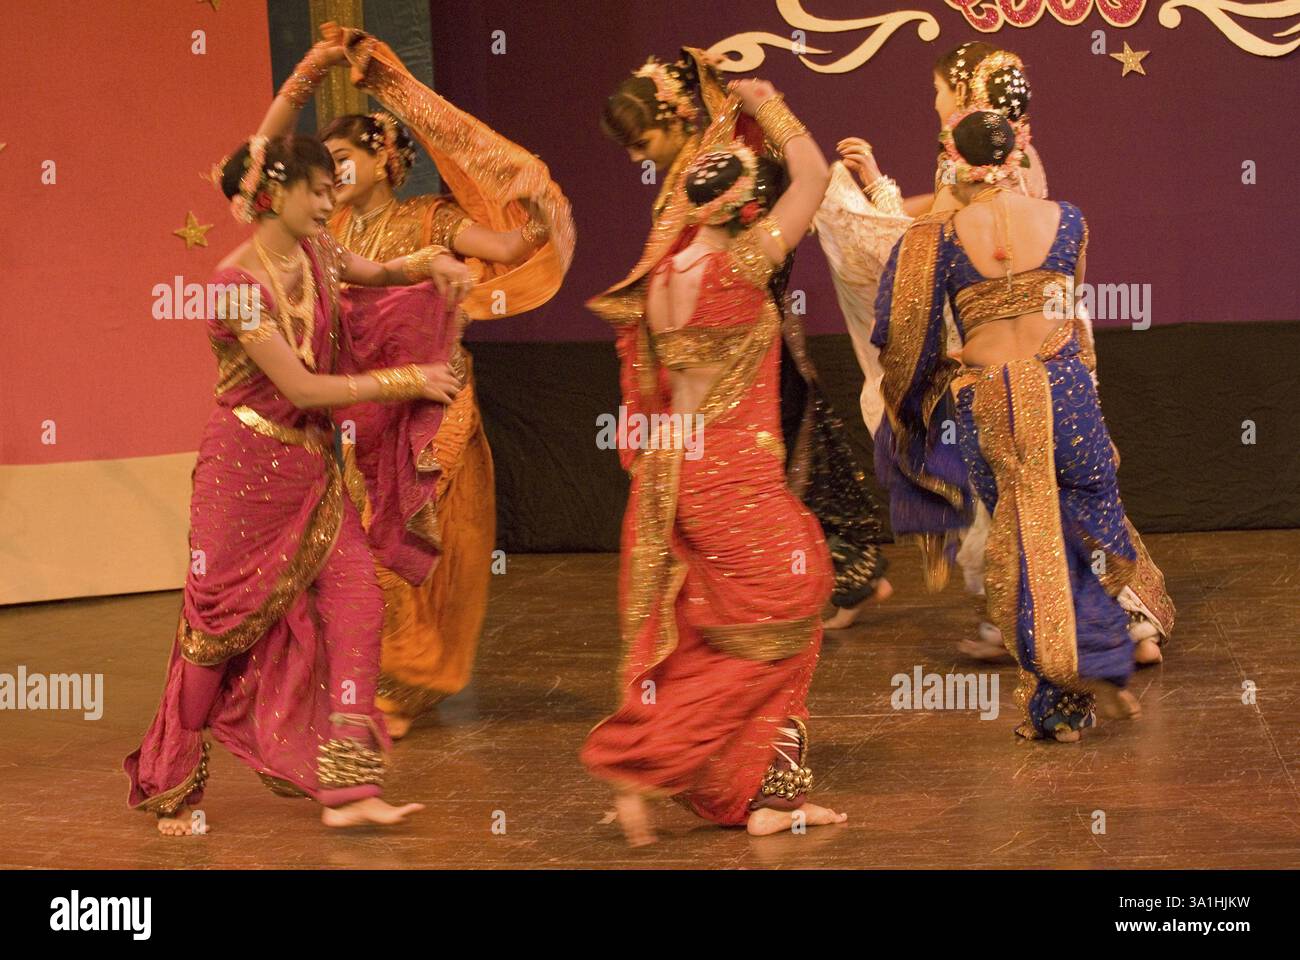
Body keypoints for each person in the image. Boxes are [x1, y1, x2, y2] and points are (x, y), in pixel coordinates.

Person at [124, 132, 470, 832]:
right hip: (244, 475)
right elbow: (303, 386)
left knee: (359, 603)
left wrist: (430, 260)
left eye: (331, 187)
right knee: (217, 635)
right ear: (275, 194)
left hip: (312, 470)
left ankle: (347, 787)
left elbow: (373, 272)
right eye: (317, 189)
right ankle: (173, 777)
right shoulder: (232, 287)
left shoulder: (317, 251)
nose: (329, 201)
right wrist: (411, 378)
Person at [260, 28, 575, 736]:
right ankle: (368, 673)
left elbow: (506, 248)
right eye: (328, 162)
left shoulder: (429, 219)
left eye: (345, 157)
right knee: (356, 541)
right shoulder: (328, 228)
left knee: (420, 537)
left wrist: (533, 205)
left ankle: (410, 678)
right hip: (359, 406)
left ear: (384, 157)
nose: (335, 171)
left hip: (432, 402)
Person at [816, 42, 1172, 664]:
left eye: (936, 91)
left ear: (962, 91)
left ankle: (1049, 622)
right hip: (1053, 341)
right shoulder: (1013, 154)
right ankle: (1116, 621)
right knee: (1068, 483)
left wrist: (870, 204)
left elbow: (939, 234)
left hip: (1000, 345)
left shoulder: (977, 162)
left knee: (1011, 487)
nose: (933, 103)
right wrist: (884, 192)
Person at [583, 80, 848, 843]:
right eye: (756, 202)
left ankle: (764, 792)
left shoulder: (664, 275)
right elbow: (815, 173)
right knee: (792, 604)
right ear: (743, 208)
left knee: (720, 626)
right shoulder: (744, 267)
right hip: (731, 473)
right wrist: (768, 103)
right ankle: (641, 759)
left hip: (679, 472)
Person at [872, 108, 1145, 741]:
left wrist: (916, 402)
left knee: (1029, 546)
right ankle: (1106, 660)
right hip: (1069, 392)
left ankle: (1058, 707)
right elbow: (1071, 318)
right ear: (1018, 156)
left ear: (951, 160)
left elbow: (903, 336)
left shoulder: (936, 236)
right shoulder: (1069, 220)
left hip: (994, 398)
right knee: (1086, 530)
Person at [600, 50, 892, 630]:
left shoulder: (714, 170)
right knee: (789, 460)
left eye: (641, 141)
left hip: (737, 344)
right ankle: (831, 581)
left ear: (675, 119)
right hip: (722, 344)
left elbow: (796, 196)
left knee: (779, 467)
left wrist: (769, 107)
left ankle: (798, 593)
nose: (636, 157)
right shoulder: (701, 168)